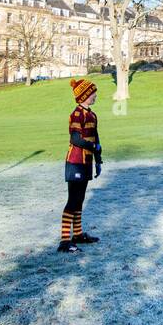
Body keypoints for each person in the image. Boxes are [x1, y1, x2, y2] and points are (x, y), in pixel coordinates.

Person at [59, 77, 102, 254]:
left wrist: (98, 160)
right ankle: (64, 241)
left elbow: (96, 138)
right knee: (73, 200)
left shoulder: (92, 114)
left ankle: (77, 235)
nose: (95, 95)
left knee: (80, 200)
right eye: (93, 93)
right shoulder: (77, 114)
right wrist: (93, 147)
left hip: (86, 162)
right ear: (85, 95)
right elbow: (75, 139)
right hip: (75, 162)